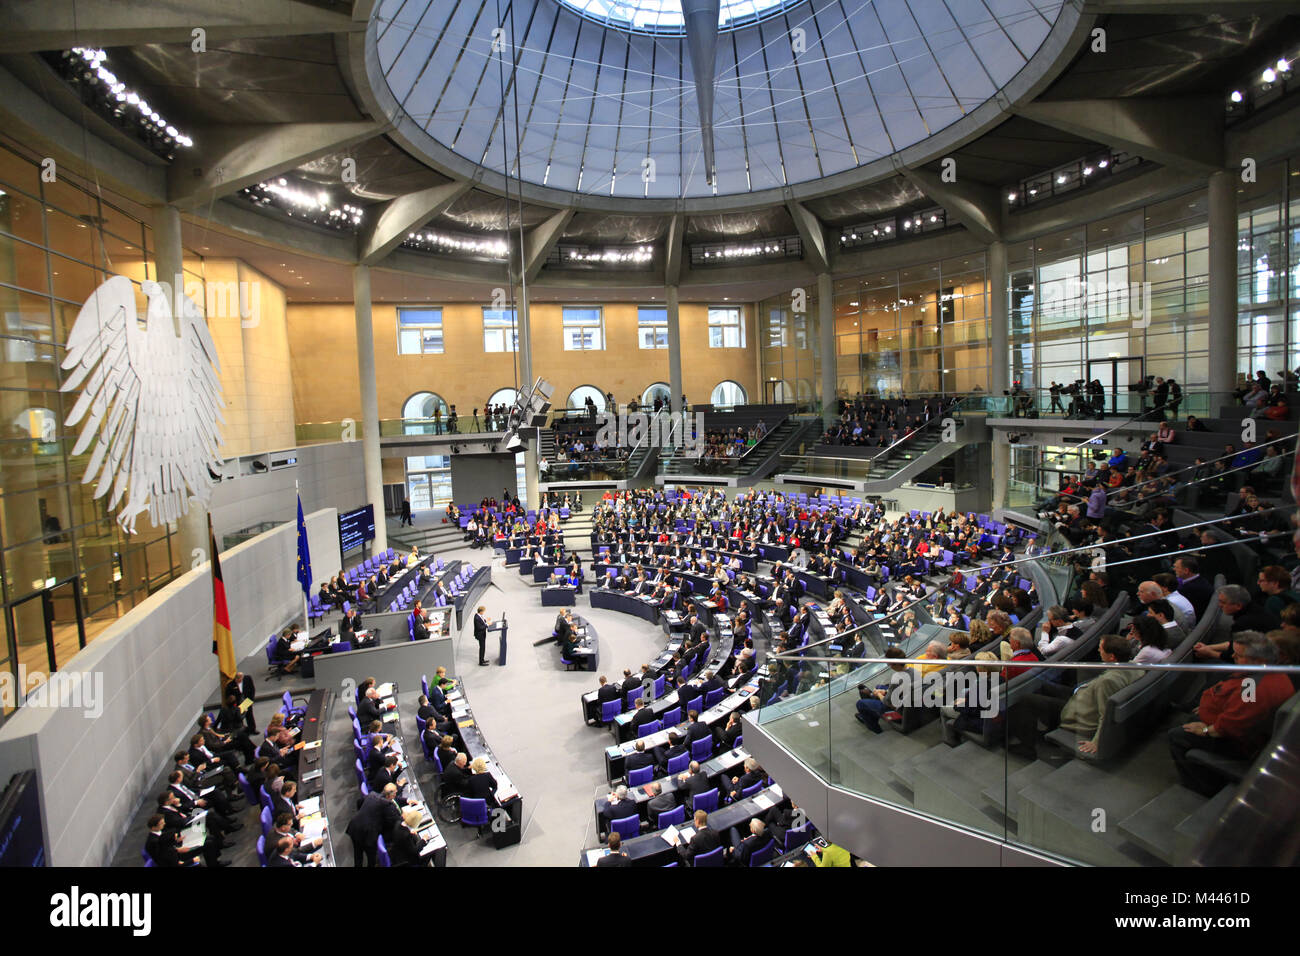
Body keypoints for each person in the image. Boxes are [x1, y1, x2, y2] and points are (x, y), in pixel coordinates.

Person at [1168, 632, 1295, 795]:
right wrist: (1209, 708)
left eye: (1239, 655)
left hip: (1234, 742)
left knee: (1177, 736)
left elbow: (1233, 725)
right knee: (1191, 721)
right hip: (1225, 723)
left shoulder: (1252, 686)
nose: (1233, 656)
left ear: (1259, 660)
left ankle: (1200, 788)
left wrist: (1206, 730)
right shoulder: (1267, 672)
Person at [345, 783, 401, 867]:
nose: (395, 795)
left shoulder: (372, 794)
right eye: (395, 793)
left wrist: (364, 814)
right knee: (371, 859)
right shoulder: (387, 804)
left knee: (358, 854)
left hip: (355, 826)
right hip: (368, 834)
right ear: (390, 795)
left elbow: (359, 802)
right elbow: (394, 820)